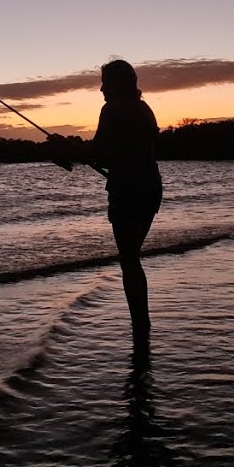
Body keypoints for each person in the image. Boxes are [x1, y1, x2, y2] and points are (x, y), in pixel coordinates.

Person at [90, 59, 163, 336]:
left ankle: (140, 326)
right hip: (150, 188)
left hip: (127, 191)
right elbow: (122, 153)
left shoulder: (111, 110)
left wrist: (63, 145)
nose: (101, 89)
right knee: (132, 258)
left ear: (117, 84)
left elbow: (98, 153)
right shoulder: (143, 109)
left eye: (105, 83)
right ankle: (141, 323)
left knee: (129, 260)